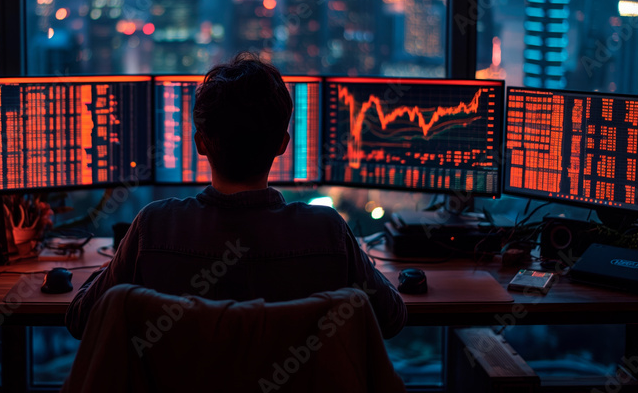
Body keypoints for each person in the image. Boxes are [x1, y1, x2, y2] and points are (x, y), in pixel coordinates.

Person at [65, 52, 406, 339]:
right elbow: (391, 319)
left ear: (200, 144)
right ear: (283, 145)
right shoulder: (326, 232)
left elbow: (81, 319)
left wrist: (117, 263)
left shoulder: (153, 227)